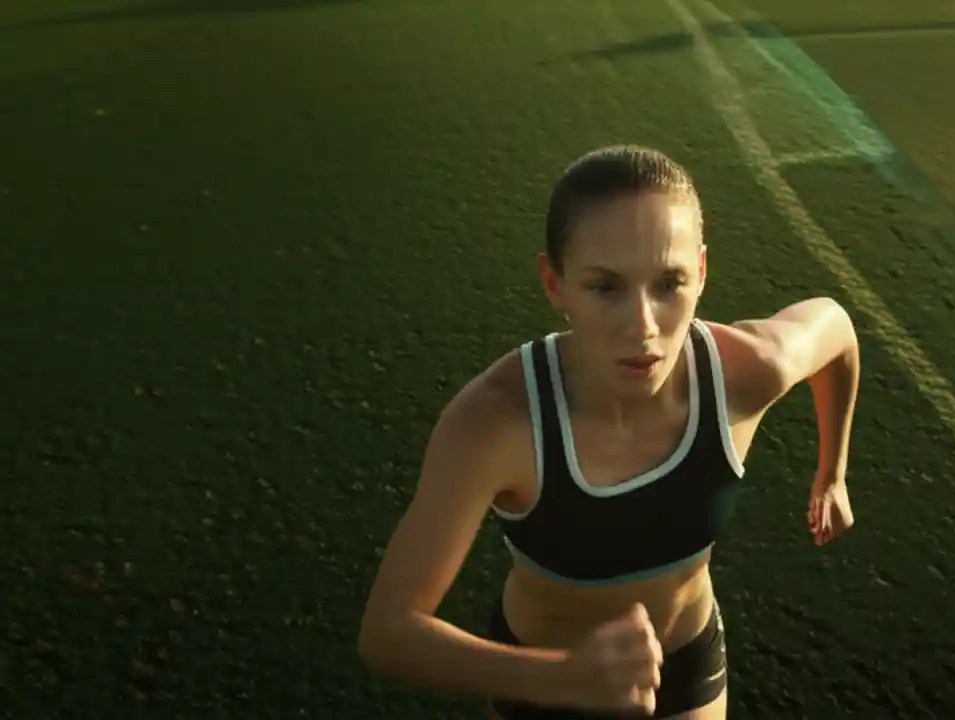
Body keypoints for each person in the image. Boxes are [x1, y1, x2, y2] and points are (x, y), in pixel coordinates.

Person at [357, 144, 860, 719]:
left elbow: (837, 330)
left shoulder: (745, 375)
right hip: (538, 681)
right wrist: (562, 679)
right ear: (555, 283)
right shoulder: (498, 423)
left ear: (700, 272)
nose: (642, 327)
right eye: (605, 287)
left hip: (685, 663)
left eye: (669, 283)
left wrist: (832, 473)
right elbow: (389, 632)